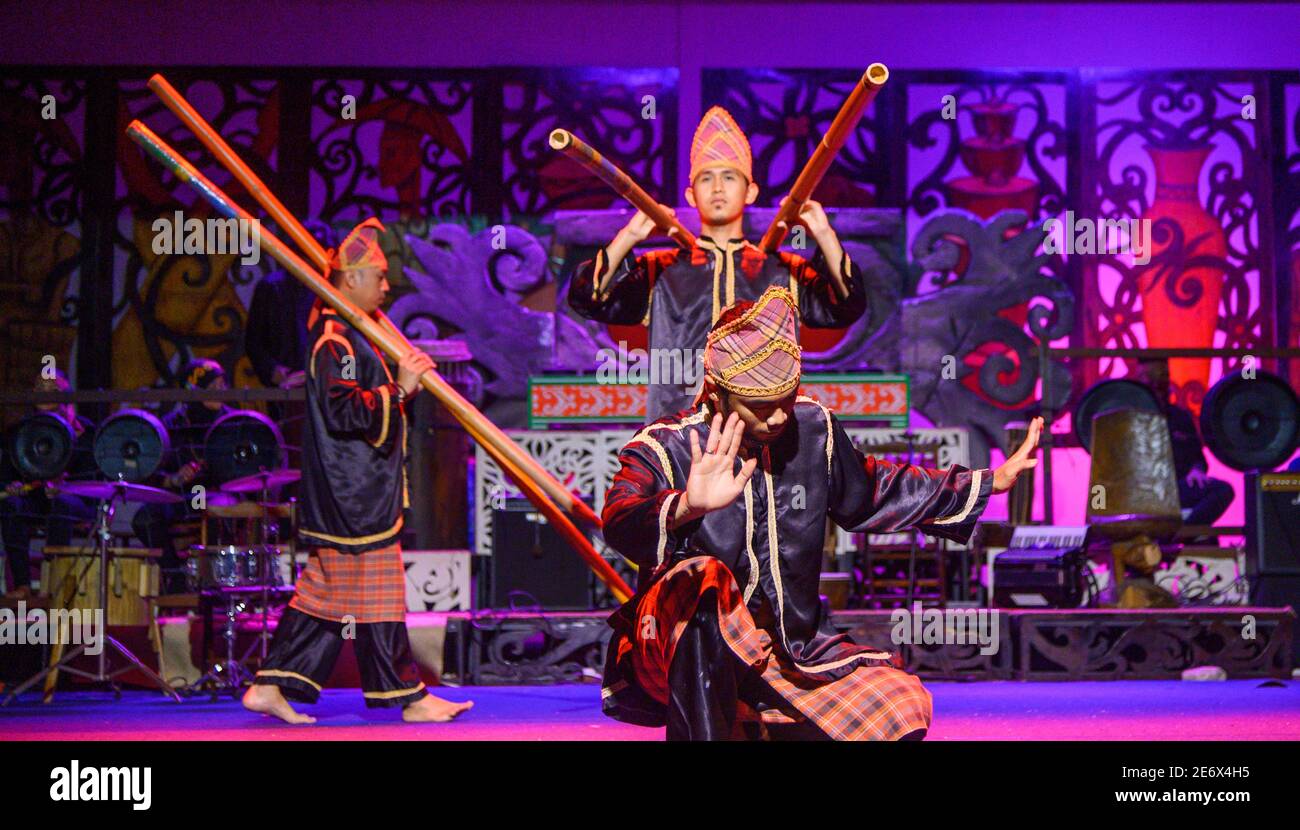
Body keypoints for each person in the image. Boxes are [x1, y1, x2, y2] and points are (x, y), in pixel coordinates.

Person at [599, 286, 1041, 740]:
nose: (775, 419)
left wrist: (987, 482)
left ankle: (757, 715)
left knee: (900, 708)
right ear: (717, 392)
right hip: (674, 644)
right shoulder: (667, 443)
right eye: (759, 406)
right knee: (705, 580)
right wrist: (686, 507)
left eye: (785, 400)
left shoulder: (813, 429)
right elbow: (619, 518)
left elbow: (874, 489)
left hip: (789, 647)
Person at [243, 218, 472, 724]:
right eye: (380, 276)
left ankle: (273, 685)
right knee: (375, 597)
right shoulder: (335, 343)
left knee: (336, 598)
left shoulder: (350, 336)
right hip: (351, 498)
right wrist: (402, 390)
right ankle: (406, 698)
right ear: (351, 281)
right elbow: (344, 410)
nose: (387, 286)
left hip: (358, 497)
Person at [569, 106, 867, 421]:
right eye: (706, 178)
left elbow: (846, 306)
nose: (718, 188)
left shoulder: (781, 270)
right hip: (678, 431)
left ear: (750, 191)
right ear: (691, 194)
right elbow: (589, 298)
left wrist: (822, 232)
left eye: (729, 177)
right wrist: (629, 235)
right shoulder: (661, 270)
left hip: (761, 432)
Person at [131, 357, 232, 593]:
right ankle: (176, 576)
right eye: (212, 387)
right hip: (182, 496)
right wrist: (172, 479)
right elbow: (151, 470)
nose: (220, 392)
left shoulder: (232, 422)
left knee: (220, 510)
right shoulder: (171, 424)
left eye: (222, 385)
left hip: (216, 493)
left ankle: (214, 583)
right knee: (144, 518)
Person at [1, 371, 97, 600]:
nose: (45, 394)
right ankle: (23, 585)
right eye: (40, 389)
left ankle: (53, 583)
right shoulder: (22, 431)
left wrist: (66, 487)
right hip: (36, 499)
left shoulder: (84, 431)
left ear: (66, 395)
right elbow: (6, 474)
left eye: (52, 389)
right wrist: (12, 485)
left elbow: (94, 478)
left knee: (61, 503)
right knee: (11, 506)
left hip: (75, 502)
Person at [1134, 358, 1233, 528]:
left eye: (1163, 375)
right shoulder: (1130, 417)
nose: (1157, 381)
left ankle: (1184, 533)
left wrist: (1196, 471)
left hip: (1178, 489)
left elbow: (1198, 458)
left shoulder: (1180, 417)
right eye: (1149, 376)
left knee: (1223, 491)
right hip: (1141, 492)